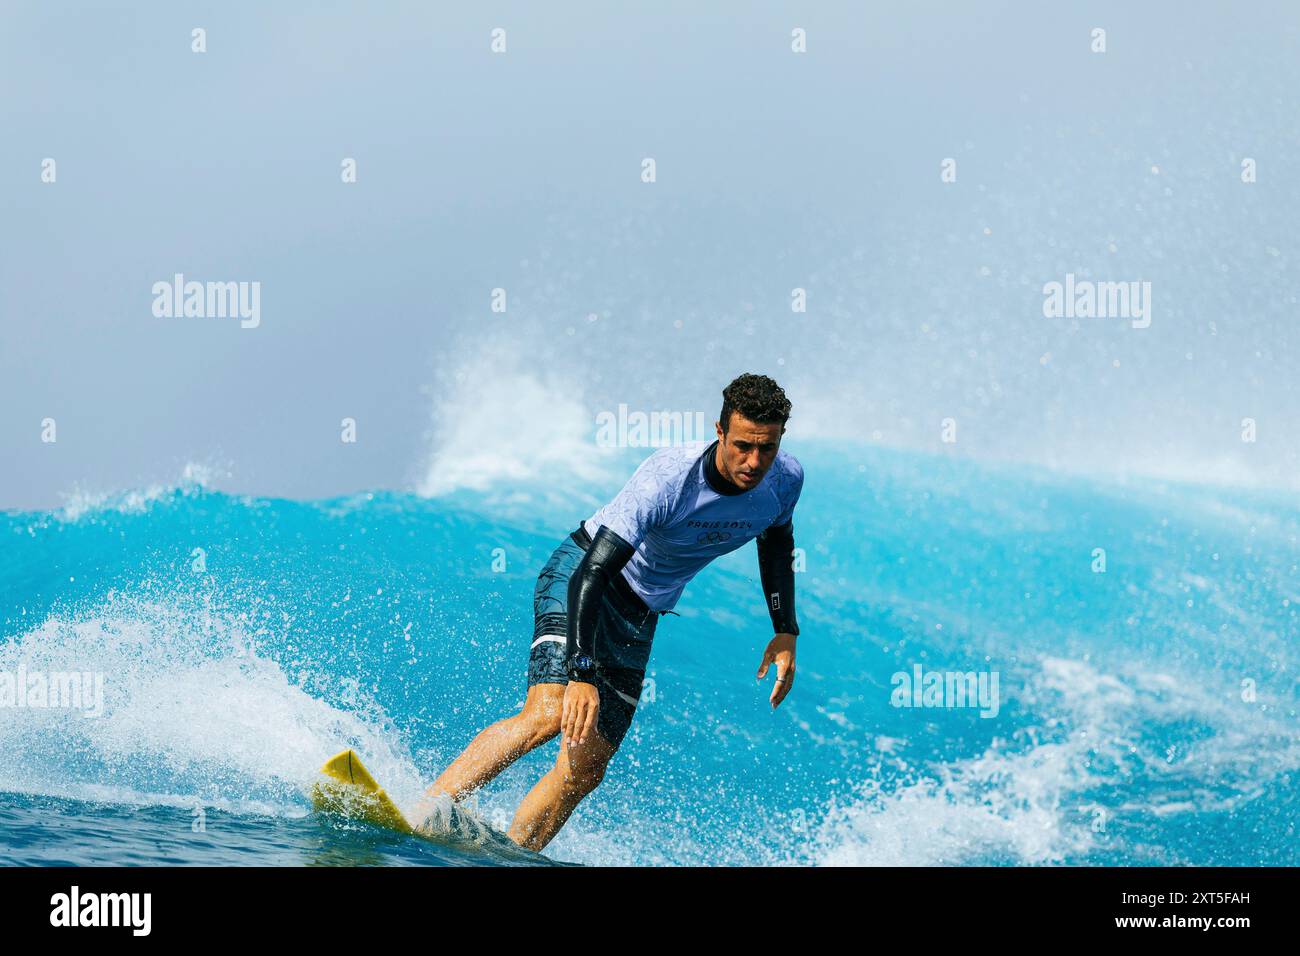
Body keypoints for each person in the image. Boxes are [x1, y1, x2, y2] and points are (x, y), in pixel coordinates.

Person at [418, 373, 804, 851]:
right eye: (743, 445)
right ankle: (426, 810)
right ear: (719, 431)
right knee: (550, 713)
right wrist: (580, 672)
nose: (754, 461)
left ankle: (512, 855)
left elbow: (776, 541)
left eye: (767, 448)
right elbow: (591, 574)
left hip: (640, 611)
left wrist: (785, 629)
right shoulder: (668, 479)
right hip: (583, 579)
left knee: (586, 767)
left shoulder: (786, 479)